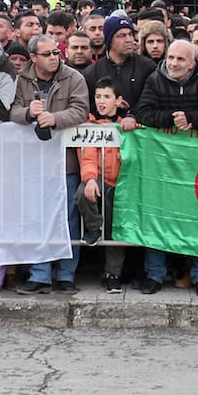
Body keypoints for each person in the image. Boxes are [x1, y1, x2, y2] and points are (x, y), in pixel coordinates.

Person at [135, 40, 198, 295]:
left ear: (192, 63)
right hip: (160, 164)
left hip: (195, 164)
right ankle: (154, 275)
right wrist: (173, 119)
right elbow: (143, 113)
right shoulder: (155, 80)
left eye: (180, 59)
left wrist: (193, 120)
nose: (173, 63)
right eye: (171, 57)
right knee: (157, 218)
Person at [11, 34, 90, 294]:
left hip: (65, 163)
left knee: (67, 219)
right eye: (48, 54)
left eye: (56, 52)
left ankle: (66, 275)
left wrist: (54, 119)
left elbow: (81, 110)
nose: (54, 58)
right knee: (36, 219)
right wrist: (27, 113)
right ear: (33, 57)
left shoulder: (74, 77)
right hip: (32, 163)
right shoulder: (20, 79)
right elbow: (10, 110)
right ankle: (40, 275)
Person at [77, 77, 125, 293]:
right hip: (98, 178)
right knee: (81, 194)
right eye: (98, 96)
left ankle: (113, 274)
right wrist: (88, 179)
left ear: (118, 100)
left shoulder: (127, 124)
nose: (101, 101)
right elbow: (87, 157)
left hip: (121, 183)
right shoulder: (89, 123)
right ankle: (94, 227)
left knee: (115, 229)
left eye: (107, 96)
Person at [83, 14, 157, 133]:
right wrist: (109, 107)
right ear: (109, 40)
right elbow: (87, 105)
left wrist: (132, 114)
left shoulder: (147, 66)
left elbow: (151, 99)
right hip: (103, 137)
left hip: (139, 136)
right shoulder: (92, 72)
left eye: (130, 34)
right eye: (121, 36)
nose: (128, 39)